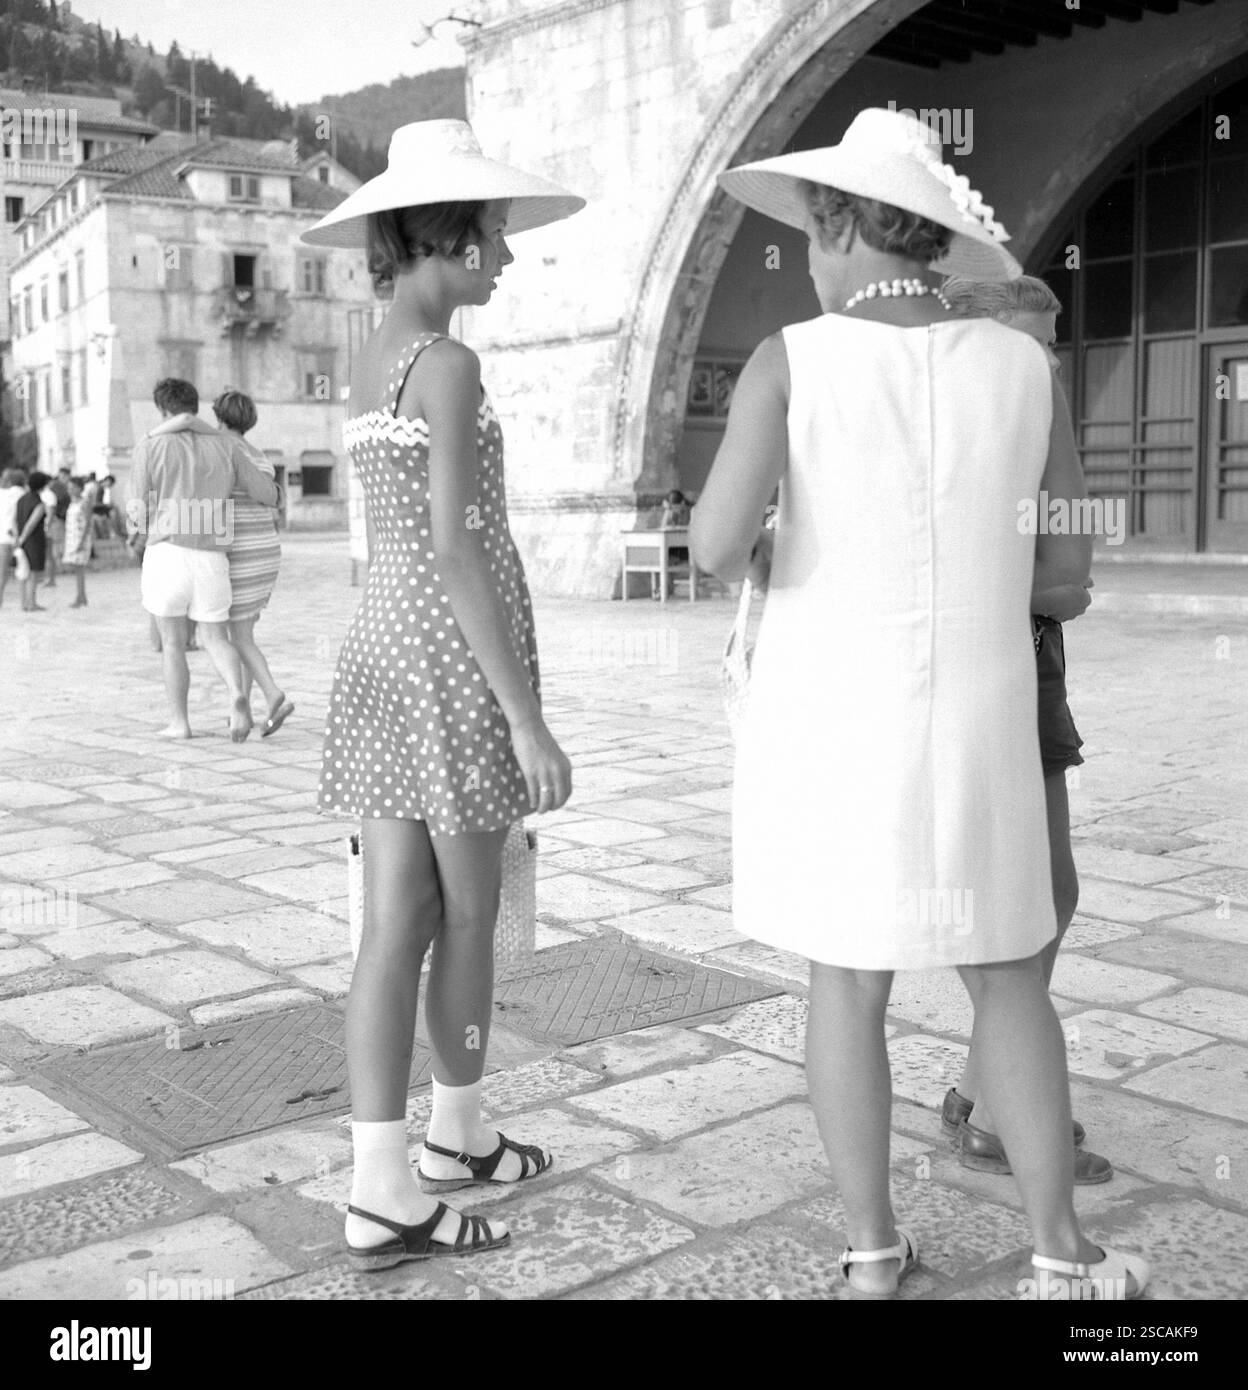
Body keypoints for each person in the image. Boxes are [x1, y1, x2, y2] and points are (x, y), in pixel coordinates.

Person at [693, 107, 1147, 1300]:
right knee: (1008, 973)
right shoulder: (1026, 366)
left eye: (812, 232)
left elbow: (711, 544)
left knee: (847, 980)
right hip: (985, 720)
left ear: (840, 227)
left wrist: (789, 539)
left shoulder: (793, 359)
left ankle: (874, 1251)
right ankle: (1061, 1256)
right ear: (931, 236)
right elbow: (1066, 574)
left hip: (839, 725)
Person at [302, 119, 583, 1267]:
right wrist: (527, 716)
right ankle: (438, 1151)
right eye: (495, 240)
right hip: (452, 660)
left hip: (379, 649)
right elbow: (464, 548)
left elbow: (405, 537)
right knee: (468, 913)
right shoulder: (453, 366)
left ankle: (404, 1164)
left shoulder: (376, 353)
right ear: (446, 238)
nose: (506, 261)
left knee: (392, 921)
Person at [938, 274, 1106, 1182]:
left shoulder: (1040, 410)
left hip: (1031, 660)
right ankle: (1003, 1105)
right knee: (990, 898)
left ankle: (982, 1085)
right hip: (964, 672)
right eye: (1031, 339)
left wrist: (1006, 580)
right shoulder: (951, 417)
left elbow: (1073, 571)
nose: (1049, 358)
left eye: (1054, 339)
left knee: (1057, 891)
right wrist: (1021, 580)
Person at [127, 378, 282, 740]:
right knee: (215, 637)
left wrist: (133, 537)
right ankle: (237, 693)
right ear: (197, 407)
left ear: (163, 409)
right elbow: (266, 493)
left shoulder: (151, 445)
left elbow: (136, 506)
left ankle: (180, 723)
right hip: (213, 554)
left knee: (172, 642)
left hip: (167, 547)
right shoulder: (226, 447)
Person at [211, 389, 294, 737]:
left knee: (238, 635)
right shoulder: (259, 455)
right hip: (266, 550)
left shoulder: (220, 450)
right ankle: (240, 708)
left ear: (217, 416)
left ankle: (273, 694)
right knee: (243, 631)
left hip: (239, 551)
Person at [12, 471, 51, 612]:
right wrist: (23, 538)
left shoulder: (21, 499)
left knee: (22, 571)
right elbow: (31, 524)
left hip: (20, 540)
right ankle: (32, 602)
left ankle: (23, 603)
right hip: (33, 540)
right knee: (33, 572)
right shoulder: (39, 503)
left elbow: (15, 521)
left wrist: (17, 538)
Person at [60, 475, 94, 607]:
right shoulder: (72, 503)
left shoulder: (84, 503)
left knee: (79, 569)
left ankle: (80, 597)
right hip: (72, 538)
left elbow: (88, 524)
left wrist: (81, 542)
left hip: (81, 539)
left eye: (73, 488)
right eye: (69, 488)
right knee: (77, 569)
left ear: (80, 488)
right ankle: (82, 596)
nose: (70, 490)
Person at [0, 467, 27, 609]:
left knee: (2, 571)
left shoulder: (2, 494)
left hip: (3, 536)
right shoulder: (24, 494)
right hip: (19, 536)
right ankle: (24, 602)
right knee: (23, 569)